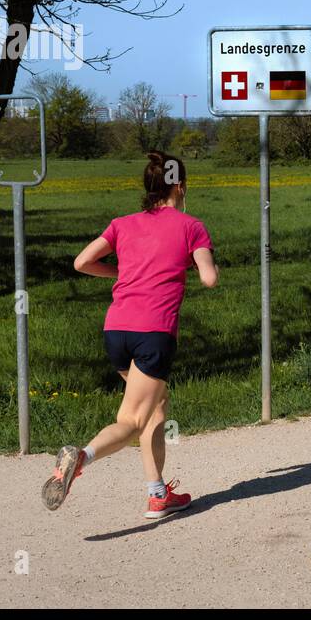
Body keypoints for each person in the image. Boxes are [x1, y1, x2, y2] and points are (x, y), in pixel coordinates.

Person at [43, 150, 218, 519]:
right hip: (154, 333)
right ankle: (80, 458)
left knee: (156, 405)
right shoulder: (191, 226)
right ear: (180, 187)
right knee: (132, 420)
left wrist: (120, 274)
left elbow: (81, 262)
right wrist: (196, 261)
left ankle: (158, 494)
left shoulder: (122, 223)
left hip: (116, 330)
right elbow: (209, 278)